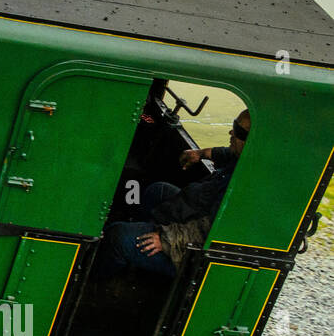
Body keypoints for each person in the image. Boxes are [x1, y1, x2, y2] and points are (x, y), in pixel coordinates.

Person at [95, 110, 250, 282]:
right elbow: (229, 153)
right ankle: (139, 252)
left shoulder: (248, 188)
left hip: (191, 251)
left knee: (117, 235)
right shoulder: (246, 158)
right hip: (197, 212)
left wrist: (168, 239)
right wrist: (202, 153)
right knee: (157, 190)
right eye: (234, 125)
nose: (231, 132)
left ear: (253, 142)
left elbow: (212, 230)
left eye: (239, 131)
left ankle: (97, 280)